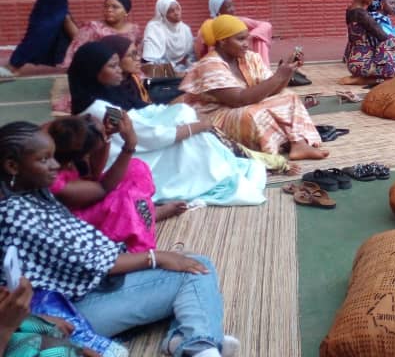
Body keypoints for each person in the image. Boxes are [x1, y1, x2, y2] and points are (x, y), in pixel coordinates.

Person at [0, 121, 241, 357]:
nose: (54, 165)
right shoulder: (16, 213)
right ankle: (200, 346)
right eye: (44, 159)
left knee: (187, 262)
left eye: (53, 157)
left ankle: (186, 341)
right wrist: (153, 258)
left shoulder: (29, 193)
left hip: (73, 297)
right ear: (12, 166)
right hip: (68, 313)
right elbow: (91, 262)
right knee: (195, 272)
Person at [69, 38, 273, 204]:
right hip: (126, 160)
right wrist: (197, 125)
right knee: (192, 139)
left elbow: (143, 116)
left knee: (185, 116)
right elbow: (147, 136)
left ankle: (221, 168)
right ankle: (216, 175)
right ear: (92, 72)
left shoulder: (102, 98)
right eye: (112, 66)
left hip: (137, 147)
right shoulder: (102, 110)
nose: (118, 70)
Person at [181, 15, 328, 161]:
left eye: (246, 39)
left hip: (245, 105)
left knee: (289, 96)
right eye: (240, 39)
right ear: (223, 41)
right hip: (215, 117)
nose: (246, 44)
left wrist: (287, 72)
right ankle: (283, 143)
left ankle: (298, 144)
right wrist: (278, 76)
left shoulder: (250, 58)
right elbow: (238, 100)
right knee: (253, 113)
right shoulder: (210, 65)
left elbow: (273, 91)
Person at [48, 115, 187, 254]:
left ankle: (144, 217)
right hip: (73, 222)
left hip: (86, 194)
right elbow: (102, 188)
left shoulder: (62, 140)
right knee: (125, 200)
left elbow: (95, 174)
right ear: (82, 154)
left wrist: (106, 136)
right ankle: (141, 240)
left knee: (136, 168)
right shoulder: (56, 183)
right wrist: (129, 145)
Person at [62, 0, 142, 69]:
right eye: (106, 6)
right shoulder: (92, 28)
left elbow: (136, 54)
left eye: (115, 7)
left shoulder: (134, 30)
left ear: (126, 12)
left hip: (126, 73)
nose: (109, 10)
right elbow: (75, 51)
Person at [197, 0, 274, 69]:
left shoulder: (238, 21)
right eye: (228, 7)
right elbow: (200, 52)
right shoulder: (207, 28)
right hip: (216, 66)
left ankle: (262, 68)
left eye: (233, 5)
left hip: (240, 63)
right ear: (218, 11)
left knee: (260, 39)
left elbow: (266, 25)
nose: (233, 9)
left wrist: (251, 36)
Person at [142, 0, 193, 72]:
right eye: (171, 11)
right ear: (163, 14)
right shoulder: (154, 28)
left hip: (183, 71)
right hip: (161, 72)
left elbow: (190, 56)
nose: (176, 13)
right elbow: (150, 62)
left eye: (178, 9)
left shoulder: (185, 29)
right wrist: (173, 71)